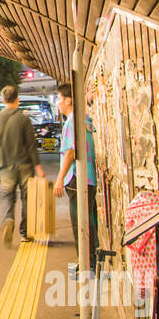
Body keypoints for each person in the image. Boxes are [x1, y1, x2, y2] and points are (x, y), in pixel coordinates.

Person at [0, 85, 44, 245]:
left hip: (5, 165)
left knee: (8, 197)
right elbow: (31, 145)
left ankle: (8, 220)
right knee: (27, 198)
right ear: (17, 100)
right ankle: (25, 233)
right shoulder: (24, 119)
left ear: (3, 100)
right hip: (25, 165)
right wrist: (38, 167)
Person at [57, 83, 98, 253]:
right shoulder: (81, 119)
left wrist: (60, 178)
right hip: (87, 178)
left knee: (80, 225)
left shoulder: (72, 122)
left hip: (77, 178)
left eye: (59, 99)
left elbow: (70, 152)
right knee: (88, 222)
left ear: (68, 100)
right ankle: (91, 262)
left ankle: (87, 266)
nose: (57, 103)